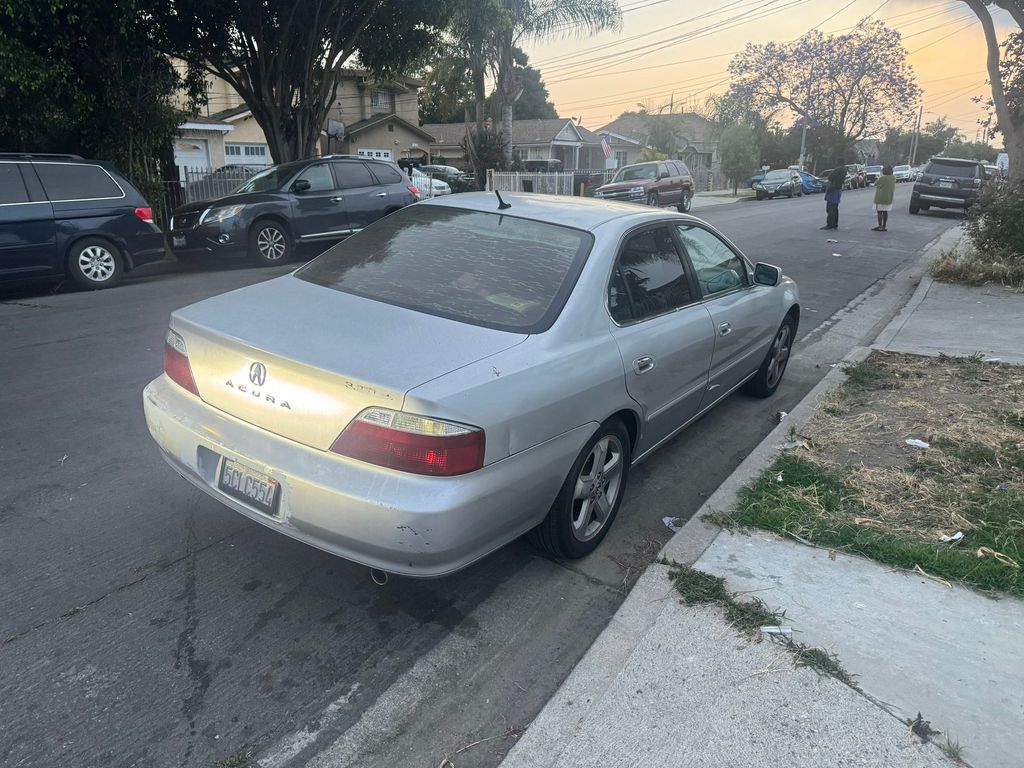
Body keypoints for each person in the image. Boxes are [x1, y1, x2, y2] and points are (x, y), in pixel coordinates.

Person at [872, 165, 896, 231]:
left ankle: (880, 226)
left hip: (880, 197)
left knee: (879, 212)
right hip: (889, 197)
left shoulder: (883, 178)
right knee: (885, 212)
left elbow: (876, 183)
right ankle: (884, 226)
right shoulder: (893, 178)